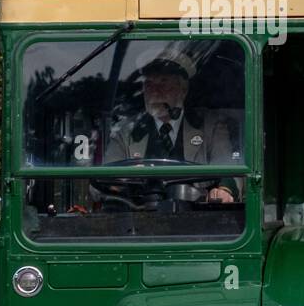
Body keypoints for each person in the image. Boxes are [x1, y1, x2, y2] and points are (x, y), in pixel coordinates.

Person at [103, 50, 242, 202]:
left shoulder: (210, 126)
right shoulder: (126, 132)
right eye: (149, 84)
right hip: (138, 217)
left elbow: (228, 171)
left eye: (163, 83)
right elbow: (101, 183)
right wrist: (124, 178)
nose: (155, 91)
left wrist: (223, 191)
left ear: (183, 90)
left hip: (196, 218)